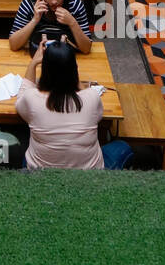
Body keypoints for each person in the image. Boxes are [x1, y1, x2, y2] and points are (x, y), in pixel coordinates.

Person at [16, 39, 132, 170]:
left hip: (41, 175)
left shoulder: (31, 98)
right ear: (74, 70)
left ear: (45, 70)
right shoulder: (92, 97)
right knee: (122, 146)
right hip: (87, 177)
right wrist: (67, 62)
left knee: (27, 155)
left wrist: (33, 63)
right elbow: (97, 117)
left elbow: (22, 96)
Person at [8, 0, 92, 54]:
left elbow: (86, 48)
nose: (54, 1)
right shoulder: (29, 3)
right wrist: (35, 20)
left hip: (66, 56)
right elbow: (14, 44)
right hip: (37, 53)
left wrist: (72, 22)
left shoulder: (74, 4)